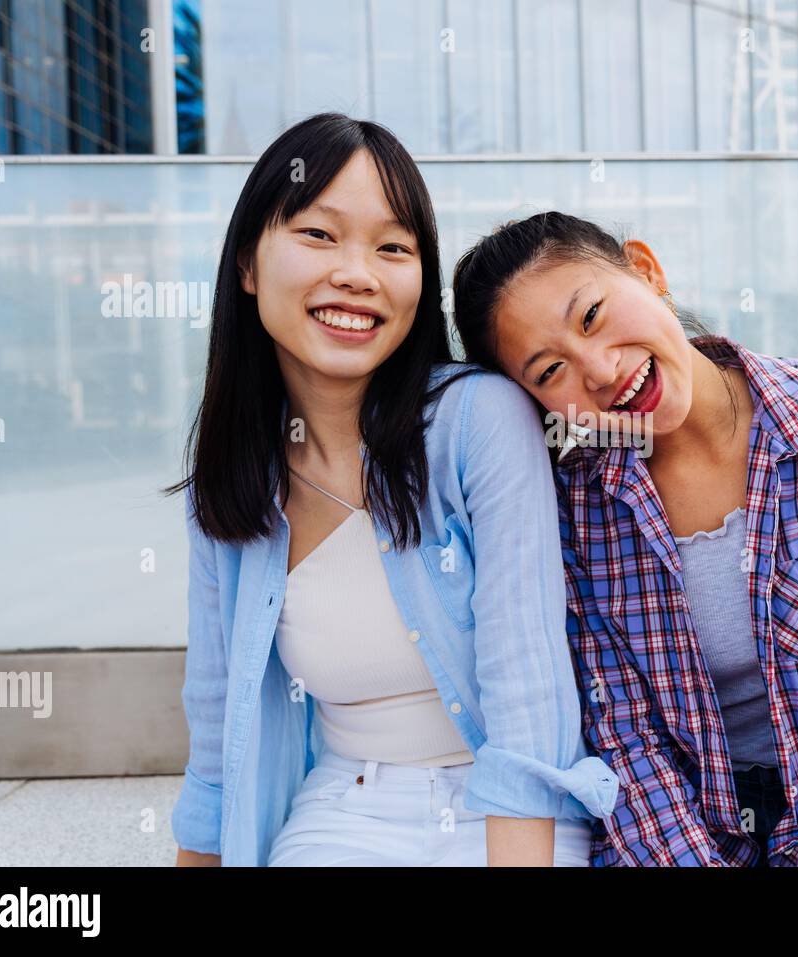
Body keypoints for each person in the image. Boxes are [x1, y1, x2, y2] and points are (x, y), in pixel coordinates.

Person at [162, 117, 616, 867]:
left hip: (511, 806)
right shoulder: (231, 478)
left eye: (393, 248)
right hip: (345, 807)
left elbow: (526, 685)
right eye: (318, 235)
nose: (358, 273)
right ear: (247, 264)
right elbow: (215, 725)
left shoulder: (478, 420)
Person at [451, 211, 798, 866]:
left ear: (648, 271)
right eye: (550, 371)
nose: (598, 370)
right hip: (681, 840)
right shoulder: (573, 505)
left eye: (593, 315)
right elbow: (625, 743)